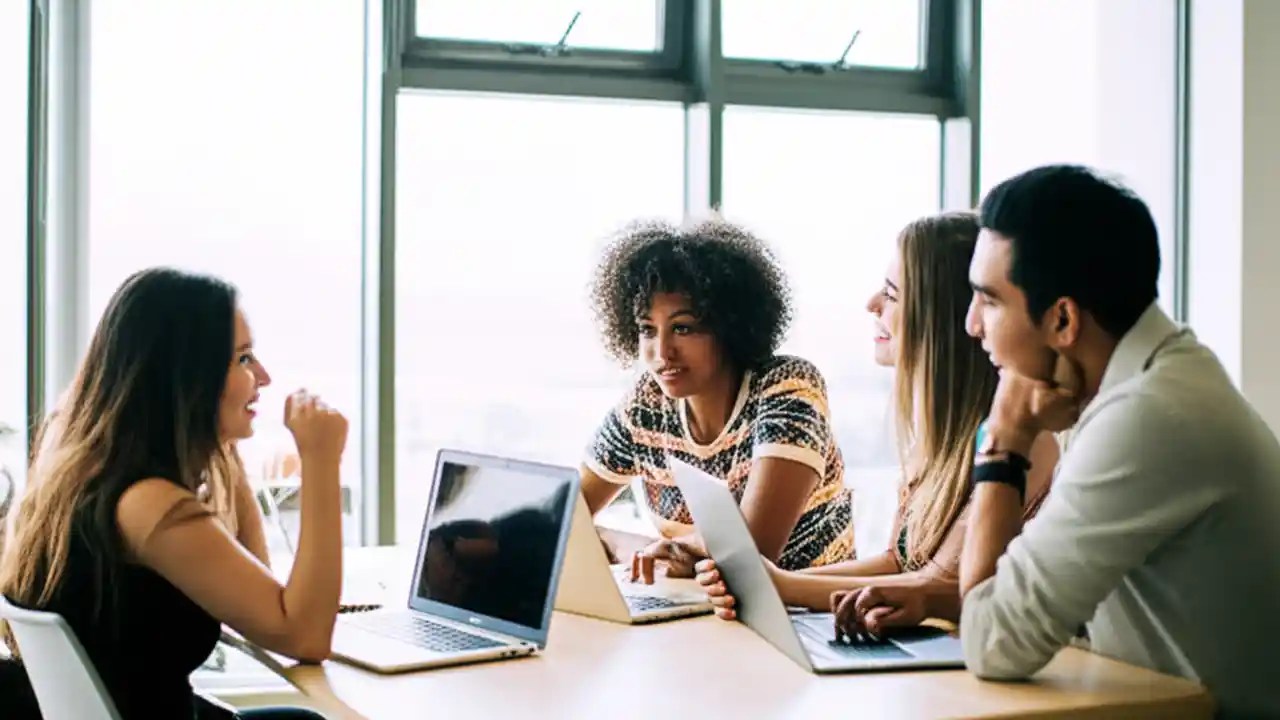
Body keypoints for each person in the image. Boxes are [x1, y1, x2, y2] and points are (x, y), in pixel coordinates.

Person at [848, 165, 1280, 718]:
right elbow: (1065, 604)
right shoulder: (1152, 380)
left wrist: (1003, 443)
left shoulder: (1147, 418)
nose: (971, 324)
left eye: (989, 300)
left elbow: (992, 643)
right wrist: (934, 598)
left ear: (1063, 320)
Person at [0, 267, 345, 719]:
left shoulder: (90, 473)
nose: (263, 376)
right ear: (186, 378)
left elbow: (258, 593)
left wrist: (220, 448)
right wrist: (321, 461)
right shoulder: (146, 505)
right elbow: (304, 636)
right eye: (242, 359)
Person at [693, 211, 1057, 625]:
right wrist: (775, 580)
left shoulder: (1021, 442)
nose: (872, 304)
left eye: (892, 294)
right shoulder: (935, 441)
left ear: (939, 316)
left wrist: (779, 586)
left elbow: (938, 585)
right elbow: (896, 564)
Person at [581, 217, 854, 581]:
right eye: (648, 330)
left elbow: (751, 551)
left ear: (729, 326)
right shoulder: (645, 406)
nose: (662, 352)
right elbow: (564, 516)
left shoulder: (787, 387)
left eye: (683, 328)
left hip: (810, 622)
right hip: (699, 614)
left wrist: (639, 547)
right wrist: (622, 544)